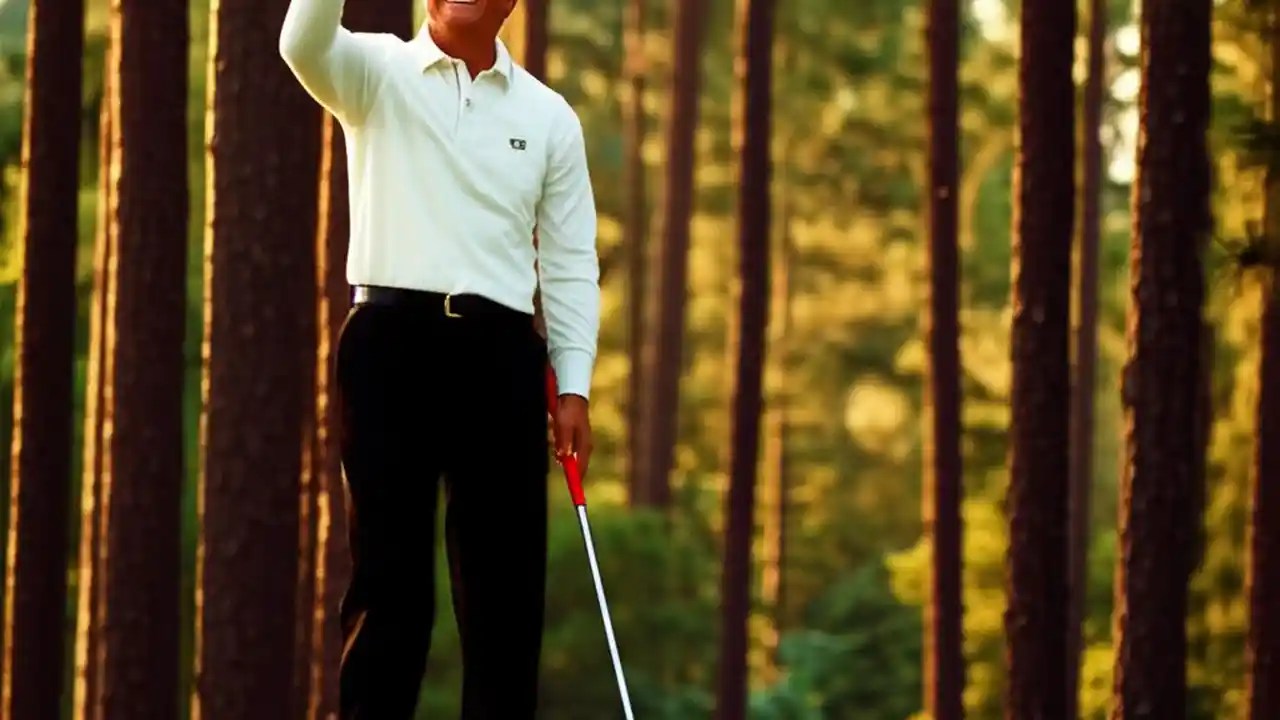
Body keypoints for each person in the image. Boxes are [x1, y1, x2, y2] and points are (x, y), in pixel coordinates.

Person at [279, 0, 600, 716]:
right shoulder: (374, 70)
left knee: (504, 601)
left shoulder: (549, 119)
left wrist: (573, 387)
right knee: (390, 592)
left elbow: (573, 262)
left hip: (503, 359)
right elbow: (300, 42)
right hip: (391, 346)